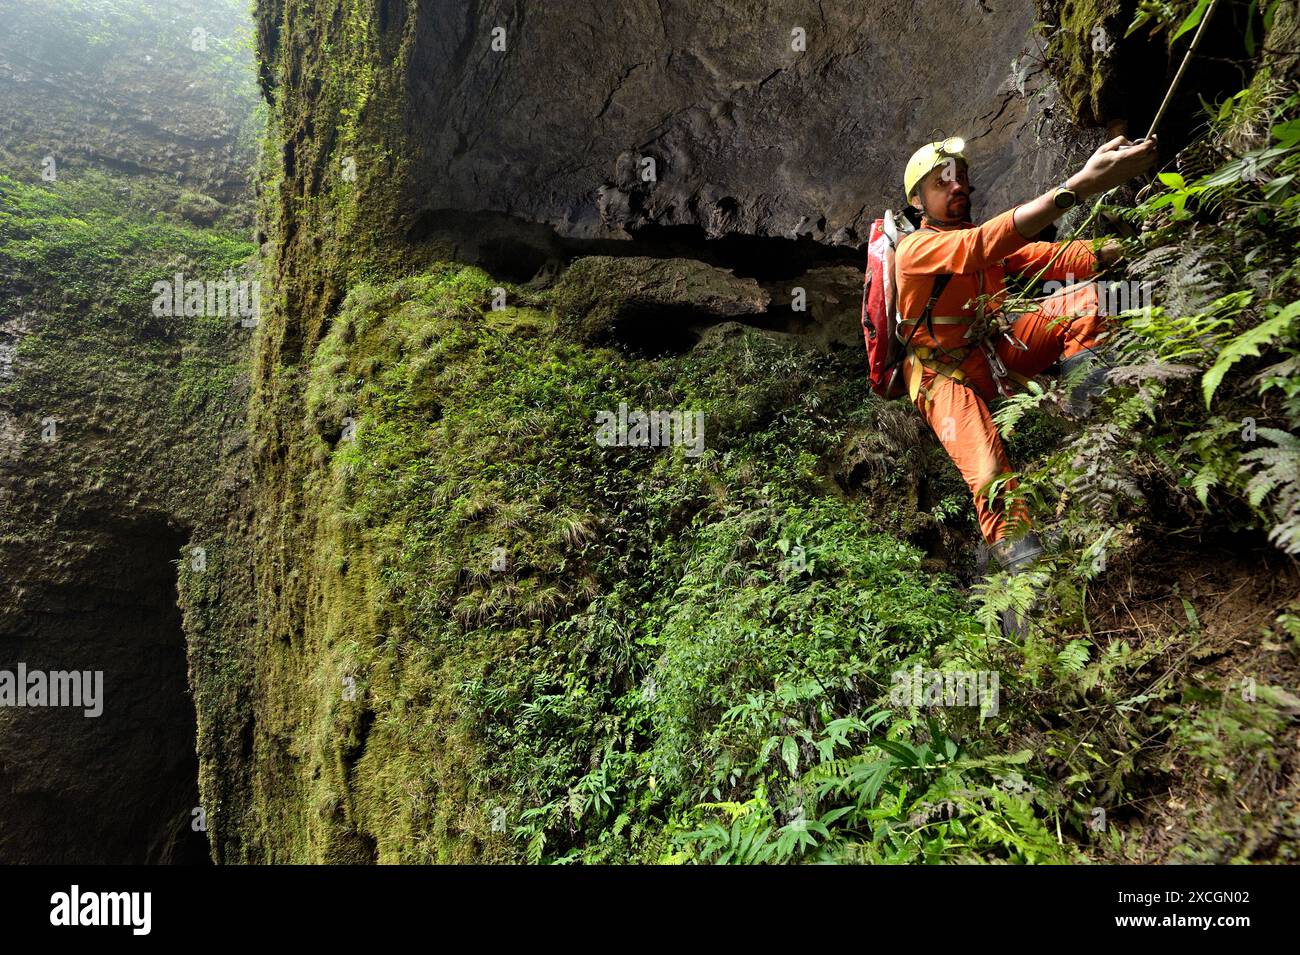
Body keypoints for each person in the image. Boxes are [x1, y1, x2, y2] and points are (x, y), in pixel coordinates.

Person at [894, 134, 1158, 581]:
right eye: (942, 183)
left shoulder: (985, 244)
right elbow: (977, 248)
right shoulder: (915, 251)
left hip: (996, 352)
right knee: (991, 472)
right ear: (918, 203)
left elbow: (1058, 258)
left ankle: (1097, 426)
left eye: (960, 178)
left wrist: (1140, 240)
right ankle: (1026, 583)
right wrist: (1078, 186)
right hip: (943, 377)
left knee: (1088, 300)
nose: (957, 186)